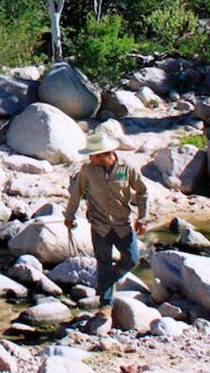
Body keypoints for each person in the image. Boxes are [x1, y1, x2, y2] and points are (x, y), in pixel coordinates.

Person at [64, 130, 148, 325]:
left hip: (123, 226)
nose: (89, 157)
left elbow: (142, 192)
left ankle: (108, 282)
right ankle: (106, 304)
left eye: (92, 154)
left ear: (104, 154)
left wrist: (143, 218)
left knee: (132, 259)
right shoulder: (87, 171)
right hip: (99, 226)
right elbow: (76, 194)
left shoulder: (127, 169)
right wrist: (69, 216)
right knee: (103, 263)